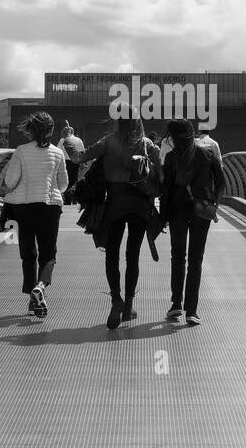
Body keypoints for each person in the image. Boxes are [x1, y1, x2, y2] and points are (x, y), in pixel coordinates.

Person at [81, 115, 161, 330]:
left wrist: (68, 141)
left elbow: (81, 157)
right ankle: (129, 306)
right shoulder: (146, 144)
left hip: (114, 203)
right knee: (132, 256)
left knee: (112, 255)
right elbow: (161, 169)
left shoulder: (107, 141)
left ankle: (116, 299)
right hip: (140, 205)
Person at [1, 112, 68, 319]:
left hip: (24, 209)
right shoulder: (57, 153)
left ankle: (32, 297)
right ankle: (40, 287)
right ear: (50, 131)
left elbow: (10, 182)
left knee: (28, 254)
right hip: (49, 208)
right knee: (49, 255)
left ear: (31, 130)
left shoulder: (21, 151)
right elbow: (64, 184)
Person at [160, 118, 224, 326]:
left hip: (177, 210)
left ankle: (176, 304)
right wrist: (214, 203)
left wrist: (162, 216)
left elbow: (165, 189)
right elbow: (221, 181)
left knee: (178, 256)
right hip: (200, 210)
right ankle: (192, 311)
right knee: (196, 259)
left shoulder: (170, 157)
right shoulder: (207, 154)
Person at [59, 122, 85, 194]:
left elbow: (58, 152)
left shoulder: (62, 140)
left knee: (66, 180)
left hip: (65, 162)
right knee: (74, 179)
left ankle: (66, 196)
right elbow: (82, 152)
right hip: (76, 162)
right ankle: (73, 196)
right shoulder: (79, 140)